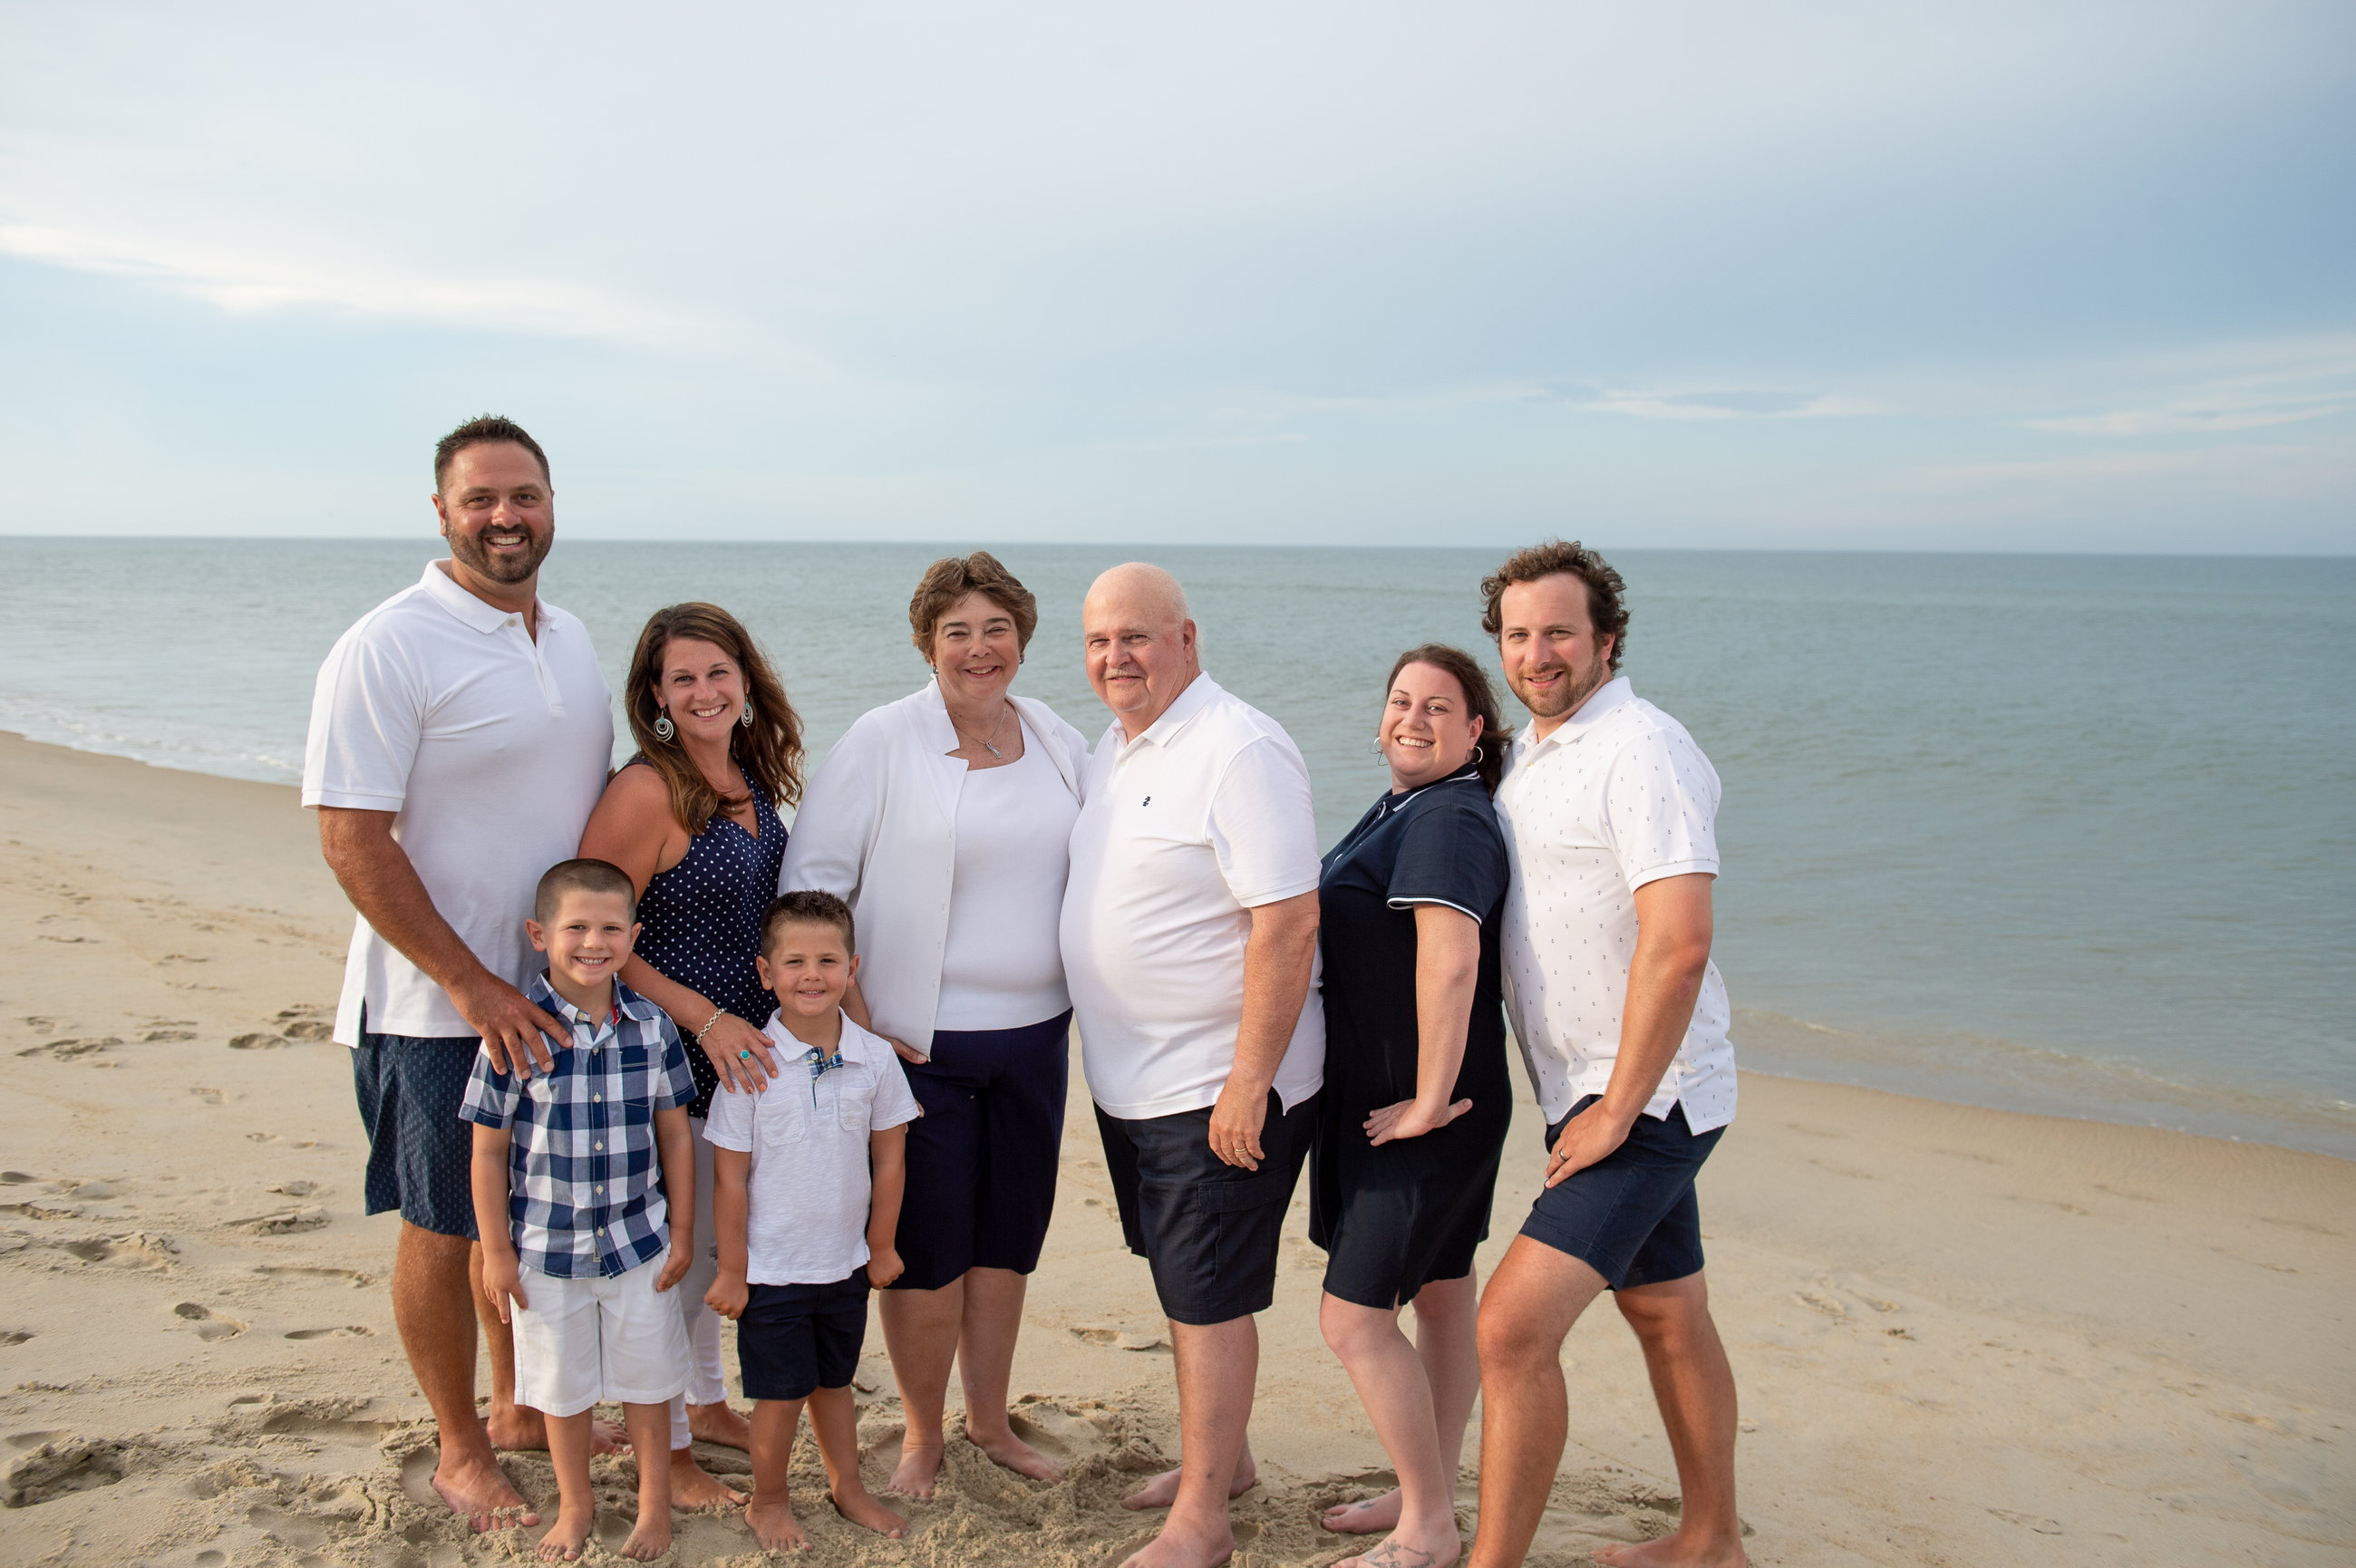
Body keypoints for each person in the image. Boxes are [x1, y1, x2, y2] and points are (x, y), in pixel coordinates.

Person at [304, 414, 614, 1531]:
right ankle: (460, 1445)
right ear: (440, 509)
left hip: (555, 997)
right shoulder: (388, 644)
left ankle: (523, 1404)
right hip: (435, 1009)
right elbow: (352, 838)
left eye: (522, 495)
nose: (503, 516)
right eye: (479, 498)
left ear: (551, 504)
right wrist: (472, 985)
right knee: (443, 1224)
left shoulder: (568, 636)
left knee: (523, 1219)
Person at [778, 551, 1091, 1497]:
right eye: (957, 630)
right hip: (919, 1051)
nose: (979, 647)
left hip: (1037, 1040)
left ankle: (988, 1420)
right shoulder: (882, 740)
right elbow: (812, 888)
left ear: (1023, 641)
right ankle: (921, 1434)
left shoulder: (1058, 736)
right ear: (927, 644)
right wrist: (862, 1028)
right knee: (925, 1247)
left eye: (997, 628)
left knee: (1005, 1240)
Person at [1466, 541, 1745, 1568]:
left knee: (1508, 1330)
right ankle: (1711, 1539)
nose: (1536, 652)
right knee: (1667, 1310)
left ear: (1605, 639)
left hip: (1645, 1096)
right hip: (1590, 1088)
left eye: (1558, 632)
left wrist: (1618, 1110)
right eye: (1518, 634)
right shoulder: (1539, 750)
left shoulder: (1642, 748)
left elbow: (1679, 943)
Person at [1060, 563, 1324, 1568]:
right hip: (1133, 1078)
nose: (1115, 657)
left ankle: (1202, 1520)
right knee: (1180, 1280)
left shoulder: (1238, 745)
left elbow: (1287, 920)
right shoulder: (1114, 748)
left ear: (1186, 637)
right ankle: (1228, 1461)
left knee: (1208, 1295)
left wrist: (1247, 1081)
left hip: (1214, 1084)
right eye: (1097, 642)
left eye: (1134, 636)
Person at [577, 601, 804, 1510]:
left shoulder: (754, 773)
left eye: (718, 671)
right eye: (683, 678)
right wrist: (704, 1017)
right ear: (658, 698)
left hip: (743, 1048)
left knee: (714, 1246)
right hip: (669, 1053)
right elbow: (596, 933)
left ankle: (708, 1404)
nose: (704, 690)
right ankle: (662, 1451)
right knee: (671, 1262)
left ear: (746, 681)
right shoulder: (647, 790)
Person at [1312, 645, 1515, 1568]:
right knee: (1440, 1295)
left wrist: (1429, 1099)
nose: (1414, 718)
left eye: (1439, 707)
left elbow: (1452, 956)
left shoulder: (1448, 819)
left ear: (1475, 730)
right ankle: (1422, 1481)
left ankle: (1428, 1525)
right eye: (1401, 700)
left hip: (1425, 1109)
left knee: (1353, 1318)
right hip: (1409, 1101)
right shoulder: (1404, 805)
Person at [464, 860, 697, 1563]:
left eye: (609, 928)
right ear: (539, 934)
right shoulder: (515, 1034)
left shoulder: (653, 1029)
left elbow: (676, 1133)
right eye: (575, 928)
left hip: (639, 1242)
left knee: (649, 1381)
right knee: (562, 1392)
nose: (592, 942)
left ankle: (653, 1507)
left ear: (633, 937)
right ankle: (576, 1506)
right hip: (545, 1250)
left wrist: (682, 1231)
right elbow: (486, 1152)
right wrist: (498, 1253)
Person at [703, 891, 919, 1551]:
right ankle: (768, 1500)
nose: (812, 975)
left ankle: (846, 1485)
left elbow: (889, 1160)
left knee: (834, 1384)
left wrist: (879, 1246)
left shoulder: (873, 1060)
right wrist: (735, 1271)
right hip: (771, 1270)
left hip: (843, 1262)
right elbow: (729, 1176)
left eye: (827, 960)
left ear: (851, 968)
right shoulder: (749, 1064)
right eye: (794, 961)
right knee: (778, 1396)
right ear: (766, 973)